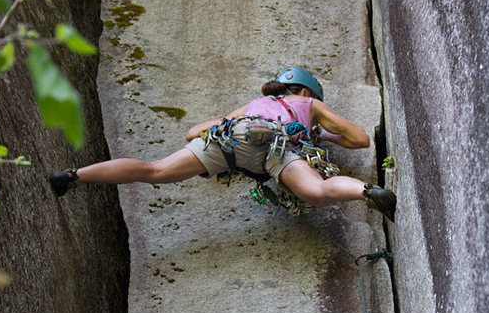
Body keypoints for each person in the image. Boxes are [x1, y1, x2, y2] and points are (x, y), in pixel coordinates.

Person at [49, 67, 396, 220]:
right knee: (317, 191)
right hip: (279, 150)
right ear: (305, 91)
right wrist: (320, 130)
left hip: (234, 137)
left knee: (154, 171)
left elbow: (192, 132)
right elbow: (360, 139)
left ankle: (74, 176)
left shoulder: (253, 106)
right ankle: (368, 193)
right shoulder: (308, 104)